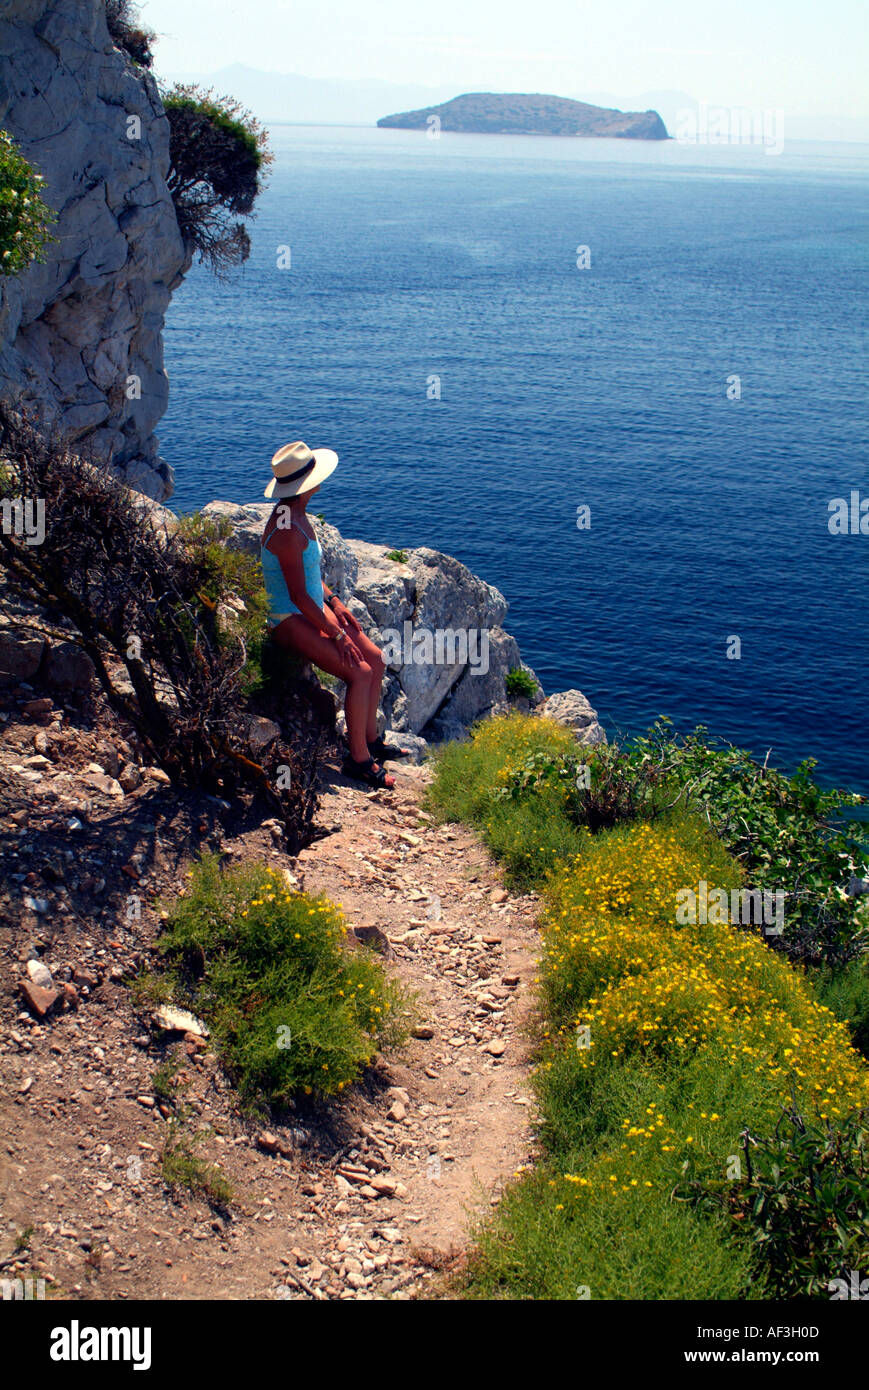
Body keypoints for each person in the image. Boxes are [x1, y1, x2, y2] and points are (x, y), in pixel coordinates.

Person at [260, 440, 408, 789]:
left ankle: (371, 740)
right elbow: (296, 595)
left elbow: (310, 579)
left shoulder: (295, 513)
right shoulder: (286, 530)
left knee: (376, 658)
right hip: (288, 618)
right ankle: (358, 761)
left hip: (311, 608)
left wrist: (336, 602)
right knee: (359, 672)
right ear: (307, 484)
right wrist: (337, 634)